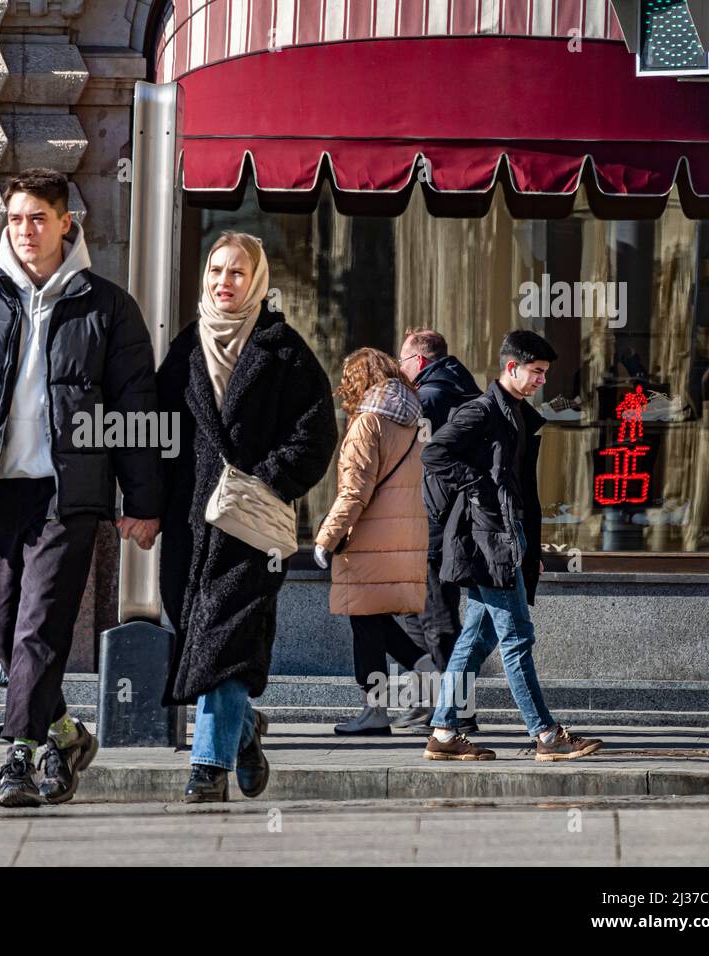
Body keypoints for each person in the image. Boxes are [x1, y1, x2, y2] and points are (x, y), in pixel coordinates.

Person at [0, 168, 165, 806]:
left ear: (65, 223)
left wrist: (143, 501)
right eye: (16, 218)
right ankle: (64, 732)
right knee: (2, 634)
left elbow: (134, 409)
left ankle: (18, 758)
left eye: (38, 218)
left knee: (36, 631)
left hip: (68, 494)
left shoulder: (107, 307)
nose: (25, 231)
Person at [157, 230, 337, 802]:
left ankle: (206, 768)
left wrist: (266, 477)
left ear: (257, 280)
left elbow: (316, 432)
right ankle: (244, 730)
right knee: (200, 633)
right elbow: (156, 435)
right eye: (215, 271)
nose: (223, 282)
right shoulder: (185, 351)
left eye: (237, 272)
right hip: (190, 525)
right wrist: (143, 503)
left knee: (227, 637)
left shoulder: (284, 349)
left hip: (252, 527)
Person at [420, 330, 603, 761]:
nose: (542, 380)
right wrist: (481, 487)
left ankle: (444, 735)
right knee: (517, 637)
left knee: (475, 640)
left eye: (544, 373)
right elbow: (434, 454)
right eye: (536, 372)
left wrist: (531, 549)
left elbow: (523, 491)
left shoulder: (517, 414)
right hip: (487, 540)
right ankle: (546, 735)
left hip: (505, 538)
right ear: (511, 367)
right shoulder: (482, 411)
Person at [313, 348, 434, 736]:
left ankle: (375, 709)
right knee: (376, 617)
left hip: (367, 538)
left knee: (364, 621)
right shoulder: (411, 419)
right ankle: (425, 668)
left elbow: (354, 492)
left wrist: (325, 539)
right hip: (402, 537)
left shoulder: (368, 422)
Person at [392, 328, 483, 732]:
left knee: (436, 618)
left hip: (429, 523)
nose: (399, 369)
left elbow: (413, 462)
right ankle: (431, 702)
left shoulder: (429, 399)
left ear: (421, 362)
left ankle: (457, 712)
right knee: (419, 614)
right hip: (441, 521)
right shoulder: (461, 389)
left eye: (403, 362)